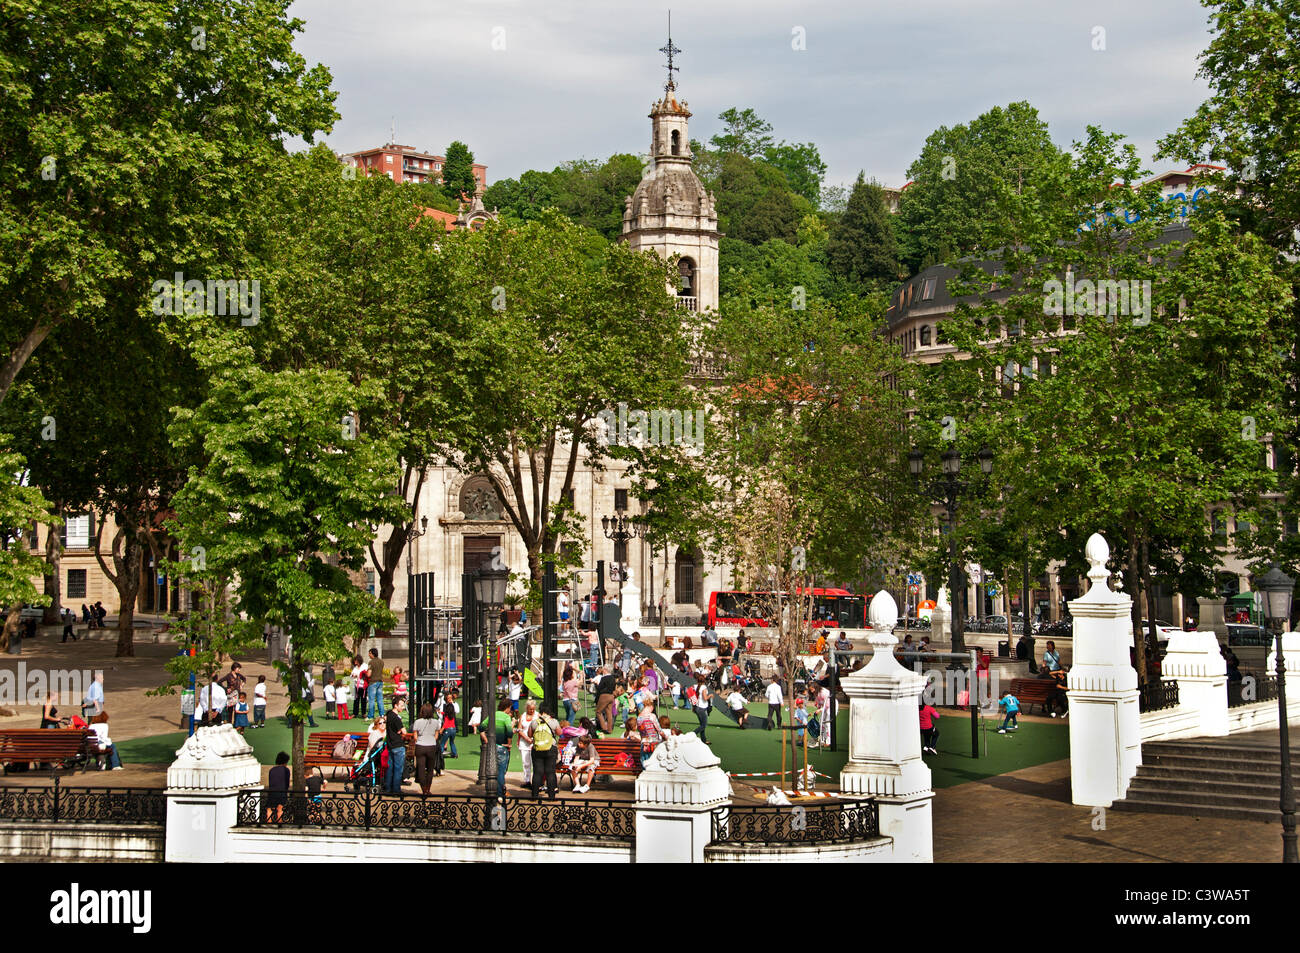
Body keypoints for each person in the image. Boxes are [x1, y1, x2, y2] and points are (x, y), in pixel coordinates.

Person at [528, 710, 559, 800]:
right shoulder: (553, 721)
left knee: (538, 772)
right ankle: (551, 796)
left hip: (537, 749)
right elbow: (559, 733)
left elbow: (529, 734)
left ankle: (534, 795)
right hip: (550, 748)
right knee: (550, 772)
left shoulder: (534, 722)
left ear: (541, 712)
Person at [413, 702, 443, 794]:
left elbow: (415, 736)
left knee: (421, 769)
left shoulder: (417, 722)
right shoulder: (435, 722)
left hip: (420, 746)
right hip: (431, 746)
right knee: (430, 769)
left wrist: (420, 740)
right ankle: (428, 788)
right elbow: (437, 735)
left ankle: (423, 789)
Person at [516, 700, 540, 790]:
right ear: (527, 708)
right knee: (526, 762)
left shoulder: (538, 716)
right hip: (524, 742)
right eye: (530, 709)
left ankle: (537, 781)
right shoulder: (522, 716)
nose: (532, 711)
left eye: (533, 709)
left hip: (535, 742)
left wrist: (533, 739)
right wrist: (526, 738)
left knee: (535, 762)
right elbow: (519, 729)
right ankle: (527, 780)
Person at [266, 752, 290, 822]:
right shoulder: (286, 770)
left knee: (269, 809)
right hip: (282, 791)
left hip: (272, 791)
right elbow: (287, 783)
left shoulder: (272, 770)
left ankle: (268, 823)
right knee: (280, 809)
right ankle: (280, 824)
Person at [594, 666, 617, 733]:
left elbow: (599, 688)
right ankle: (609, 729)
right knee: (609, 713)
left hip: (604, 696)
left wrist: (596, 684)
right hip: (611, 696)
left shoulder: (604, 678)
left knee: (598, 712)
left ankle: (604, 727)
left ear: (605, 670)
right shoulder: (613, 678)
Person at [439, 692, 460, 759]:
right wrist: (441, 712)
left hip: (448, 729)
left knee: (442, 742)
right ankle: (455, 753)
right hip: (453, 729)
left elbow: (445, 723)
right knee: (452, 742)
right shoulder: (452, 715)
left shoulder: (446, 716)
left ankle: (440, 754)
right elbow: (446, 713)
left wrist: (441, 729)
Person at [693, 673, 712, 744]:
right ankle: (692, 734)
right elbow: (705, 698)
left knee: (702, 725)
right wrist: (710, 695)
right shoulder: (703, 687)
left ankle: (704, 740)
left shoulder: (696, 686)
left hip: (697, 707)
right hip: (702, 708)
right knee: (704, 725)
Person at [367, 648, 385, 719]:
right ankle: (382, 714)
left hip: (373, 682)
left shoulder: (371, 662)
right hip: (380, 681)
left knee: (371, 700)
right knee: (380, 699)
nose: (369, 655)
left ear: (372, 654)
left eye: (369, 653)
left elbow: (369, 674)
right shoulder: (381, 661)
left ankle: (371, 715)